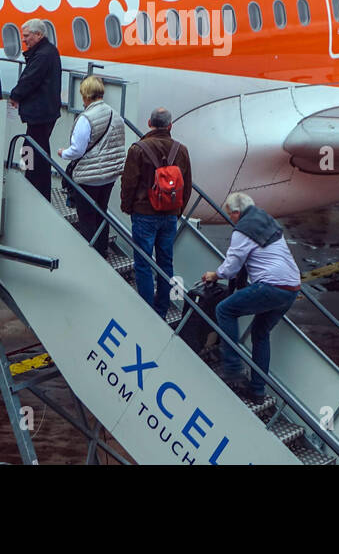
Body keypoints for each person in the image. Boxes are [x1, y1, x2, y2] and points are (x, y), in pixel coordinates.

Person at [202, 192, 301, 400]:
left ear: (237, 213)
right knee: (260, 334)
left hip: (271, 286)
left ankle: (232, 369)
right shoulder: (266, 220)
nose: (230, 219)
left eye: (230, 215)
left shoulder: (243, 230)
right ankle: (257, 391)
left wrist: (214, 274)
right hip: (291, 287)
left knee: (224, 309)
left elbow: (231, 267)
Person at [119, 107, 192, 319]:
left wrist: (127, 206)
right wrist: (178, 211)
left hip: (144, 213)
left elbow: (129, 182)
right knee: (165, 262)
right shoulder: (181, 150)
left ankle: (146, 309)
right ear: (170, 126)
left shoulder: (138, 149)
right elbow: (186, 186)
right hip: (170, 214)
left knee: (143, 262)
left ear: (150, 123)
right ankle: (161, 308)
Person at [57, 76, 126, 257]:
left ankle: (90, 256)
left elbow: (78, 150)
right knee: (101, 213)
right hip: (110, 175)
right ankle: (102, 250)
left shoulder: (85, 118)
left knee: (86, 217)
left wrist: (63, 153)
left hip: (89, 177)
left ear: (86, 95)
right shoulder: (115, 114)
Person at [8, 19, 62, 200]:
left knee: (31, 150)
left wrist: (15, 95)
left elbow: (30, 79)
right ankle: (34, 184)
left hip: (40, 113)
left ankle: (34, 187)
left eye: (26, 36)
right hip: (46, 112)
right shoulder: (48, 52)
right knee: (35, 149)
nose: (24, 40)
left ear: (39, 35)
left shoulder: (42, 55)